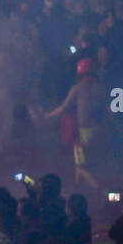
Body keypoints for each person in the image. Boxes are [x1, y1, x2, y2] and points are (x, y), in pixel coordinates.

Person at [46, 58, 103, 189]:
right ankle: (78, 185)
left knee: (81, 165)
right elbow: (111, 109)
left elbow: (63, 108)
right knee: (82, 160)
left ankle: (97, 187)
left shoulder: (77, 88)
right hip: (98, 130)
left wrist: (48, 115)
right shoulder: (101, 88)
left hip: (83, 132)